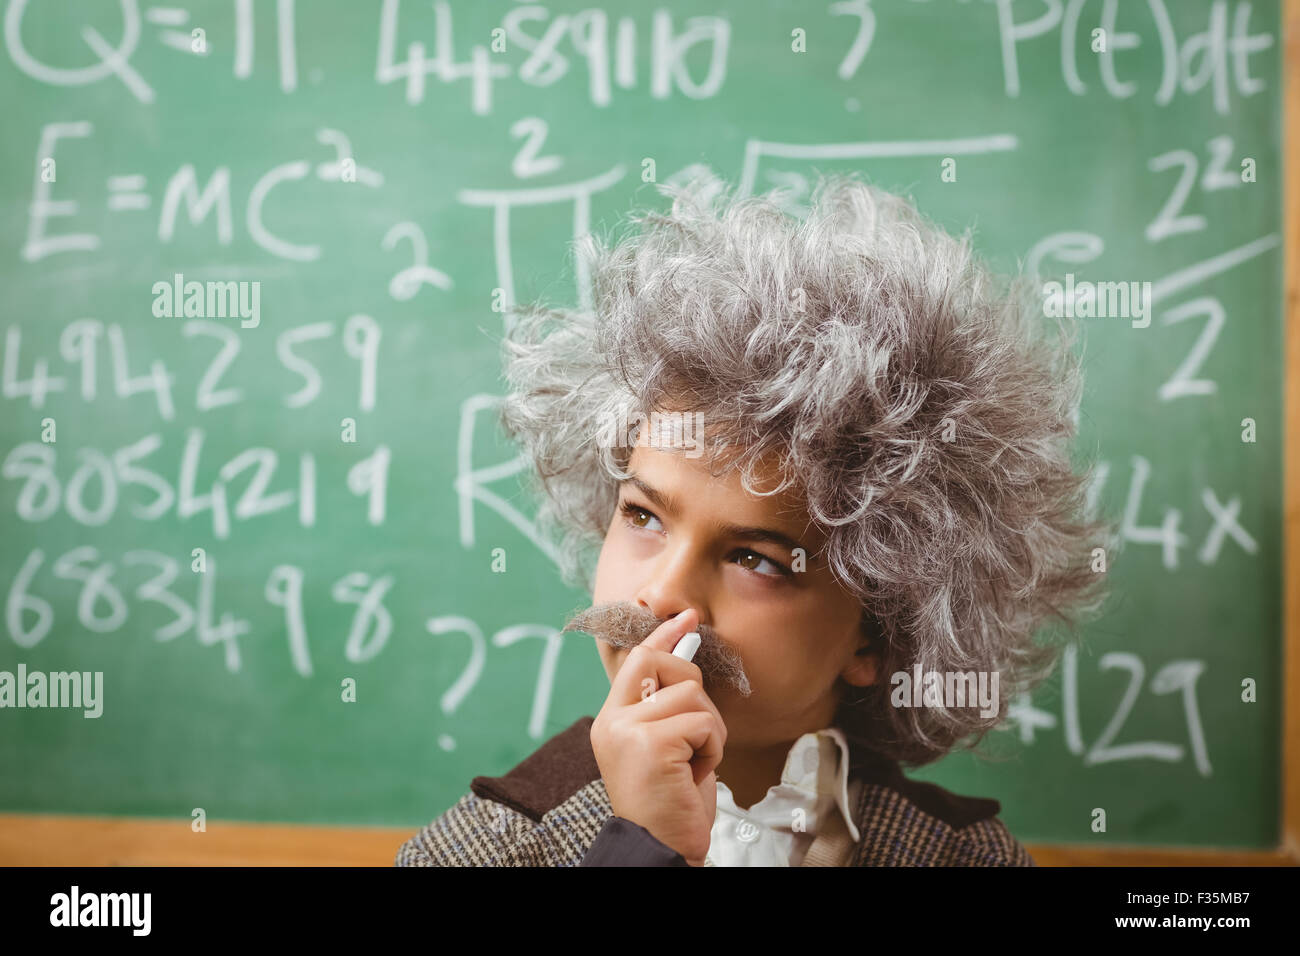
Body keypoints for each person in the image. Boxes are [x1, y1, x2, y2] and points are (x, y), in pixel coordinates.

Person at [397, 171, 1114, 867]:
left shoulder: (960, 858)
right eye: (644, 515)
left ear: (878, 634)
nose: (662, 596)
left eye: (755, 559)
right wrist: (641, 849)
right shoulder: (491, 848)